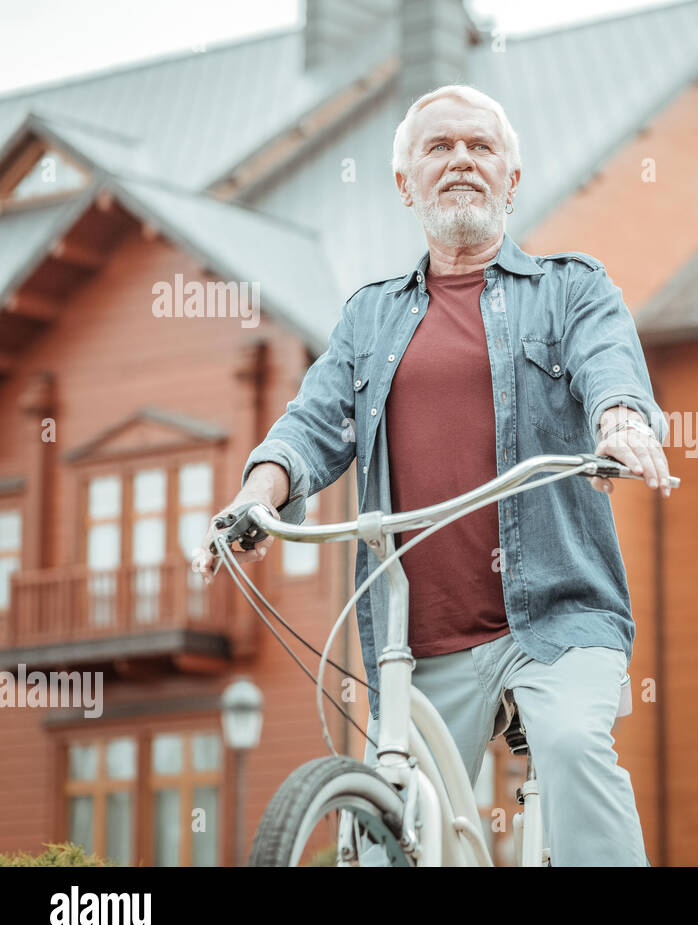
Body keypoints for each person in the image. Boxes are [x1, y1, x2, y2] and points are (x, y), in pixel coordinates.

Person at [192, 84, 671, 866]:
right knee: (392, 817)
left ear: (511, 179)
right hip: (419, 640)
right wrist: (256, 493)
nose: (461, 161)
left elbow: (608, 364)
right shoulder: (369, 318)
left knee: (573, 747)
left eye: (481, 147)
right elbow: (312, 424)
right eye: (439, 147)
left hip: (558, 620)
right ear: (404, 183)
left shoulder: (570, 290)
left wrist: (620, 421)